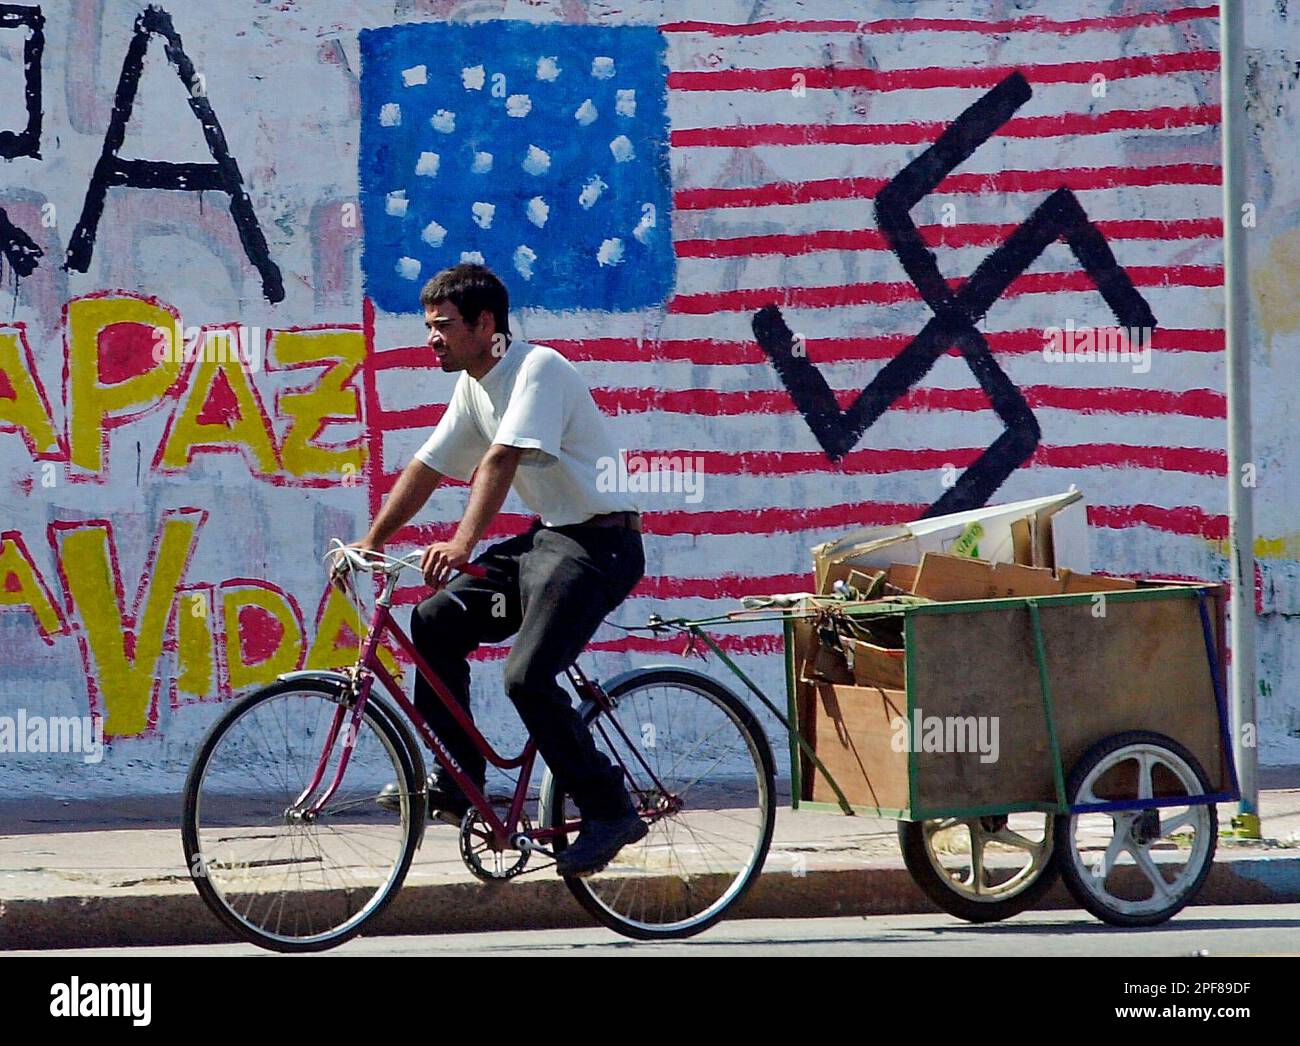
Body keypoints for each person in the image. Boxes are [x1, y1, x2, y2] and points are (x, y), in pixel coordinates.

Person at [334, 263, 646, 877]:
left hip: (598, 548)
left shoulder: (538, 369)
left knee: (527, 678)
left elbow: (501, 458)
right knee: (434, 620)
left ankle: (611, 809)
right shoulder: (475, 386)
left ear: (485, 323)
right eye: (428, 326)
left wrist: (462, 541)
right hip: (548, 540)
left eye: (443, 325)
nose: (432, 338)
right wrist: (368, 544)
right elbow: (427, 467)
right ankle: (458, 779)